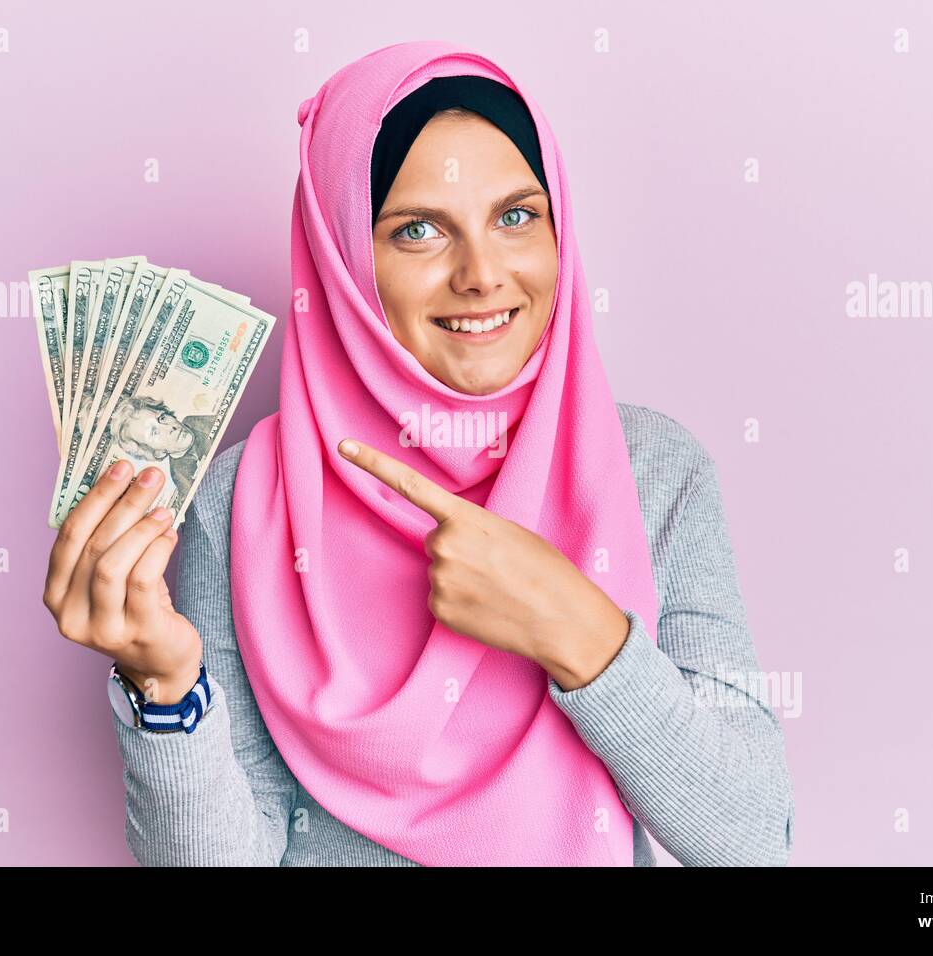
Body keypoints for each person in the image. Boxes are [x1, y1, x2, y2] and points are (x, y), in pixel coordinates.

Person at [43, 40, 795, 866]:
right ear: (344, 259)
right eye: (419, 231)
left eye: (516, 216)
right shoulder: (247, 499)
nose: (481, 275)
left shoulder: (655, 469)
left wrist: (575, 630)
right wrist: (165, 688)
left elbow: (752, 842)